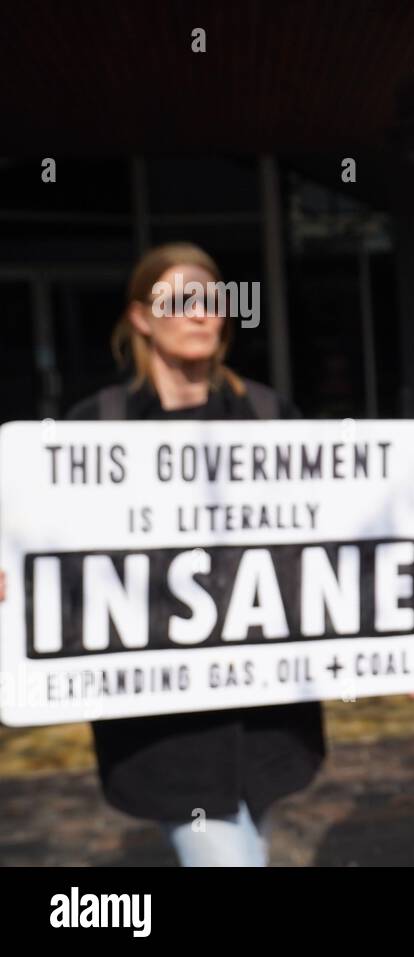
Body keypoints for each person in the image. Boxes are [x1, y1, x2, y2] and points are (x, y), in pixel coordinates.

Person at [0, 242, 325, 866]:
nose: (201, 314)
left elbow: (319, 554)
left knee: (247, 845)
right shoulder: (94, 429)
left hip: (266, 726)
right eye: (179, 301)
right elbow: (53, 564)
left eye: (212, 301)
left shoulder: (269, 418)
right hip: (164, 735)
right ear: (141, 317)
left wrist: (400, 638)